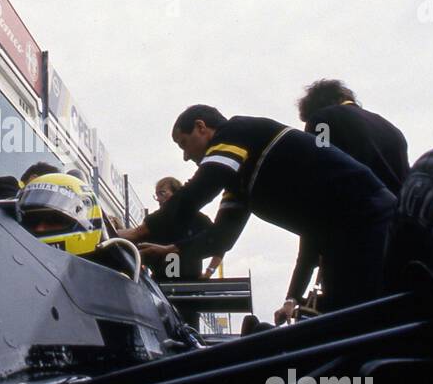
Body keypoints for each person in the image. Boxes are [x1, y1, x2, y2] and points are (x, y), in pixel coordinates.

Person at [123, 105, 396, 318]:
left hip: (370, 222)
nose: (184, 156)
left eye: (183, 143)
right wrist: (172, 251)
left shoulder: (235, 131)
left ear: (201, 127)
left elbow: (197, 192)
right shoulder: (240, 178)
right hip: (346, 237)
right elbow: (222, 238)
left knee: (367, 324)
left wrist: (139, 231)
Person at [285, 81, 409, 323]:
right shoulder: (392, 130)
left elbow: (317, 200)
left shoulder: (322, 120)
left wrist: (295, 292)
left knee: (352, 332)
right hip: (397, 245)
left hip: (352, 247)